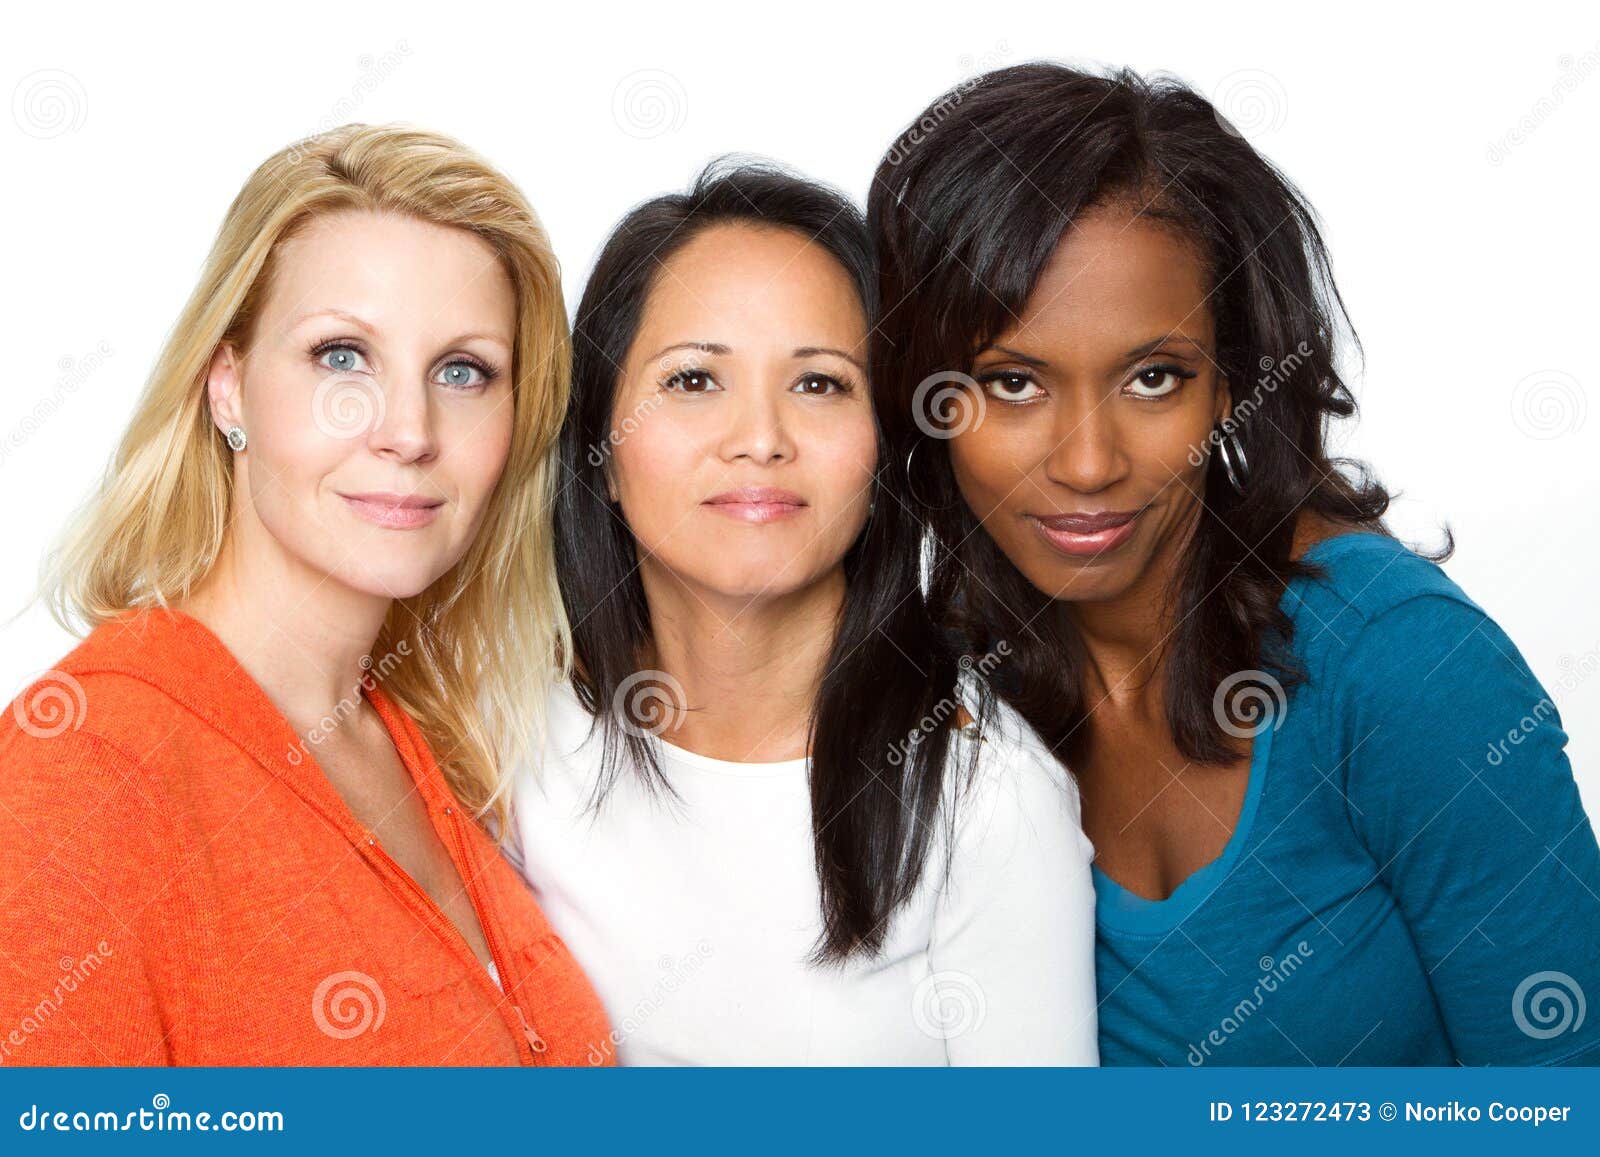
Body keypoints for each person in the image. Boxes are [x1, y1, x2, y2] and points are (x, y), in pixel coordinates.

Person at [868, 62, 1600, 1065]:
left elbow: (1564, 1104)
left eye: (1152, 377)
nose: (1088, 463)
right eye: (1014, 383)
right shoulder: (955, 679)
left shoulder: (1400, 663)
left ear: (1230, 382)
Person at [0, 124, 610, 1066]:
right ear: (228, 387)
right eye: (341, 356)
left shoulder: (428, 745)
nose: (409, 430)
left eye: (463, 370)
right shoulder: (86, 767)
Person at [510, 161, 1099, 1065]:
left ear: (885, 447)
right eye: (693, 379)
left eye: (820, 383)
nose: (760, 438)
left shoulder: (989, 797)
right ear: (601, 447)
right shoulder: (510, 742)